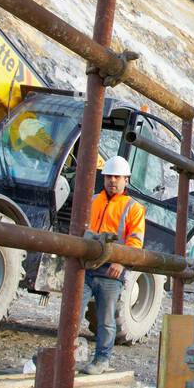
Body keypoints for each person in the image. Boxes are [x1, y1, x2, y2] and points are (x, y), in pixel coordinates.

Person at [80, 155, 146, 375]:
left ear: (126, 180)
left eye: (117, 177)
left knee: (106, 319)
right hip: (86, 266)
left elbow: (135, 242)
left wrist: (121, 261)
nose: (112, 180)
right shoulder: (92, 200)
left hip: (111, 271)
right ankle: (64, 353)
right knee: (72, 313)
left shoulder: (133, 208)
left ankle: (102, 360)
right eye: (108, 176)